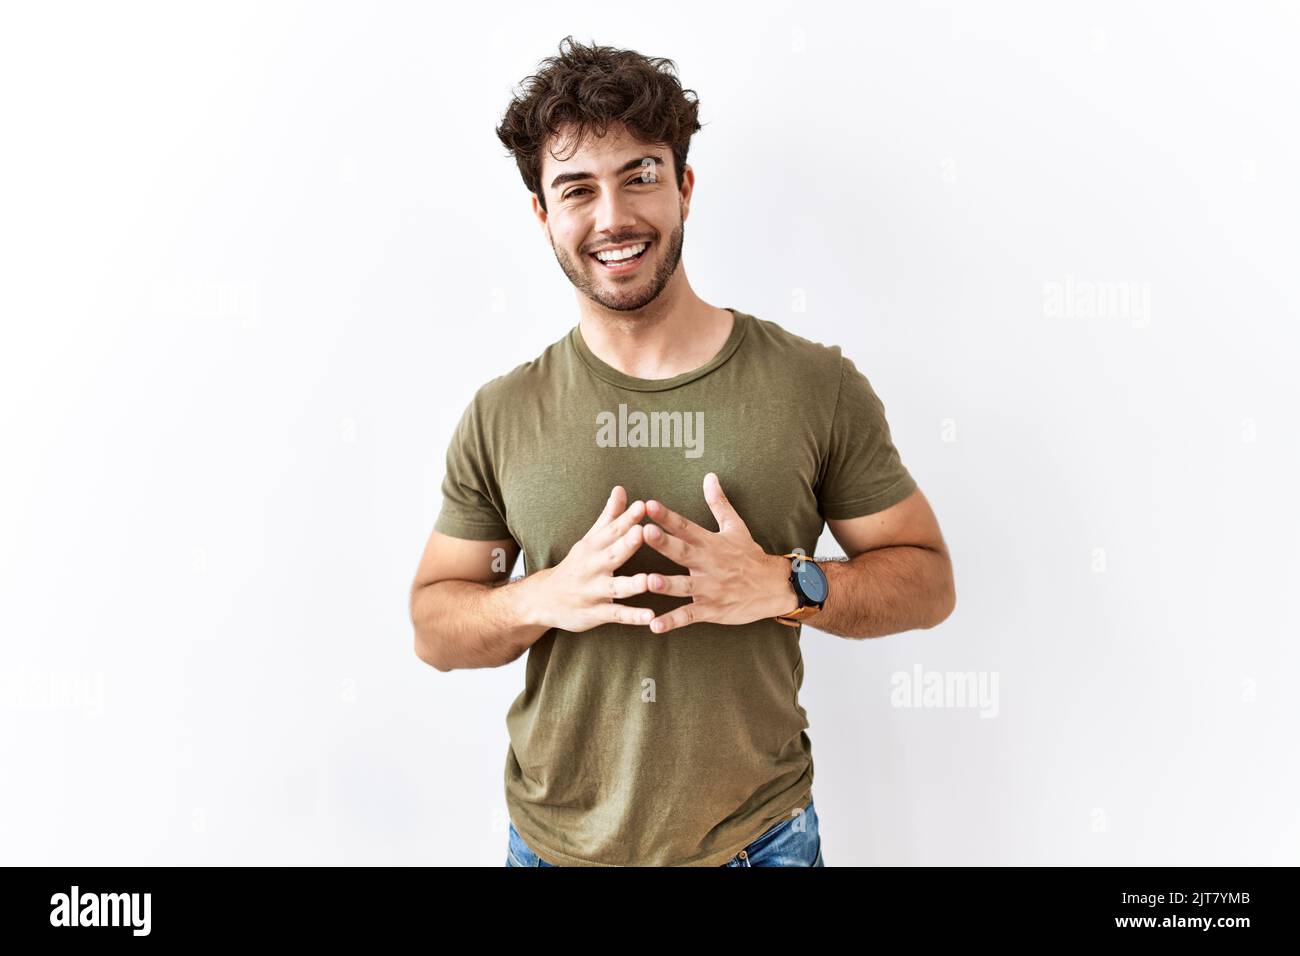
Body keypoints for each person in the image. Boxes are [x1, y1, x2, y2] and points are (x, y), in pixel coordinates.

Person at [410, 36, 955, 867]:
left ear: (685, 186)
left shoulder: (815, 384)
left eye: (640, 175)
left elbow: (927, 581)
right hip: (554, 849)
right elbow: (434, 625)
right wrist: (541, 597)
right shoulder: (504, 413)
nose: (613, 217)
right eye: (577, 189)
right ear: (543, 215)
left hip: (761, 842)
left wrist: (785, 583)